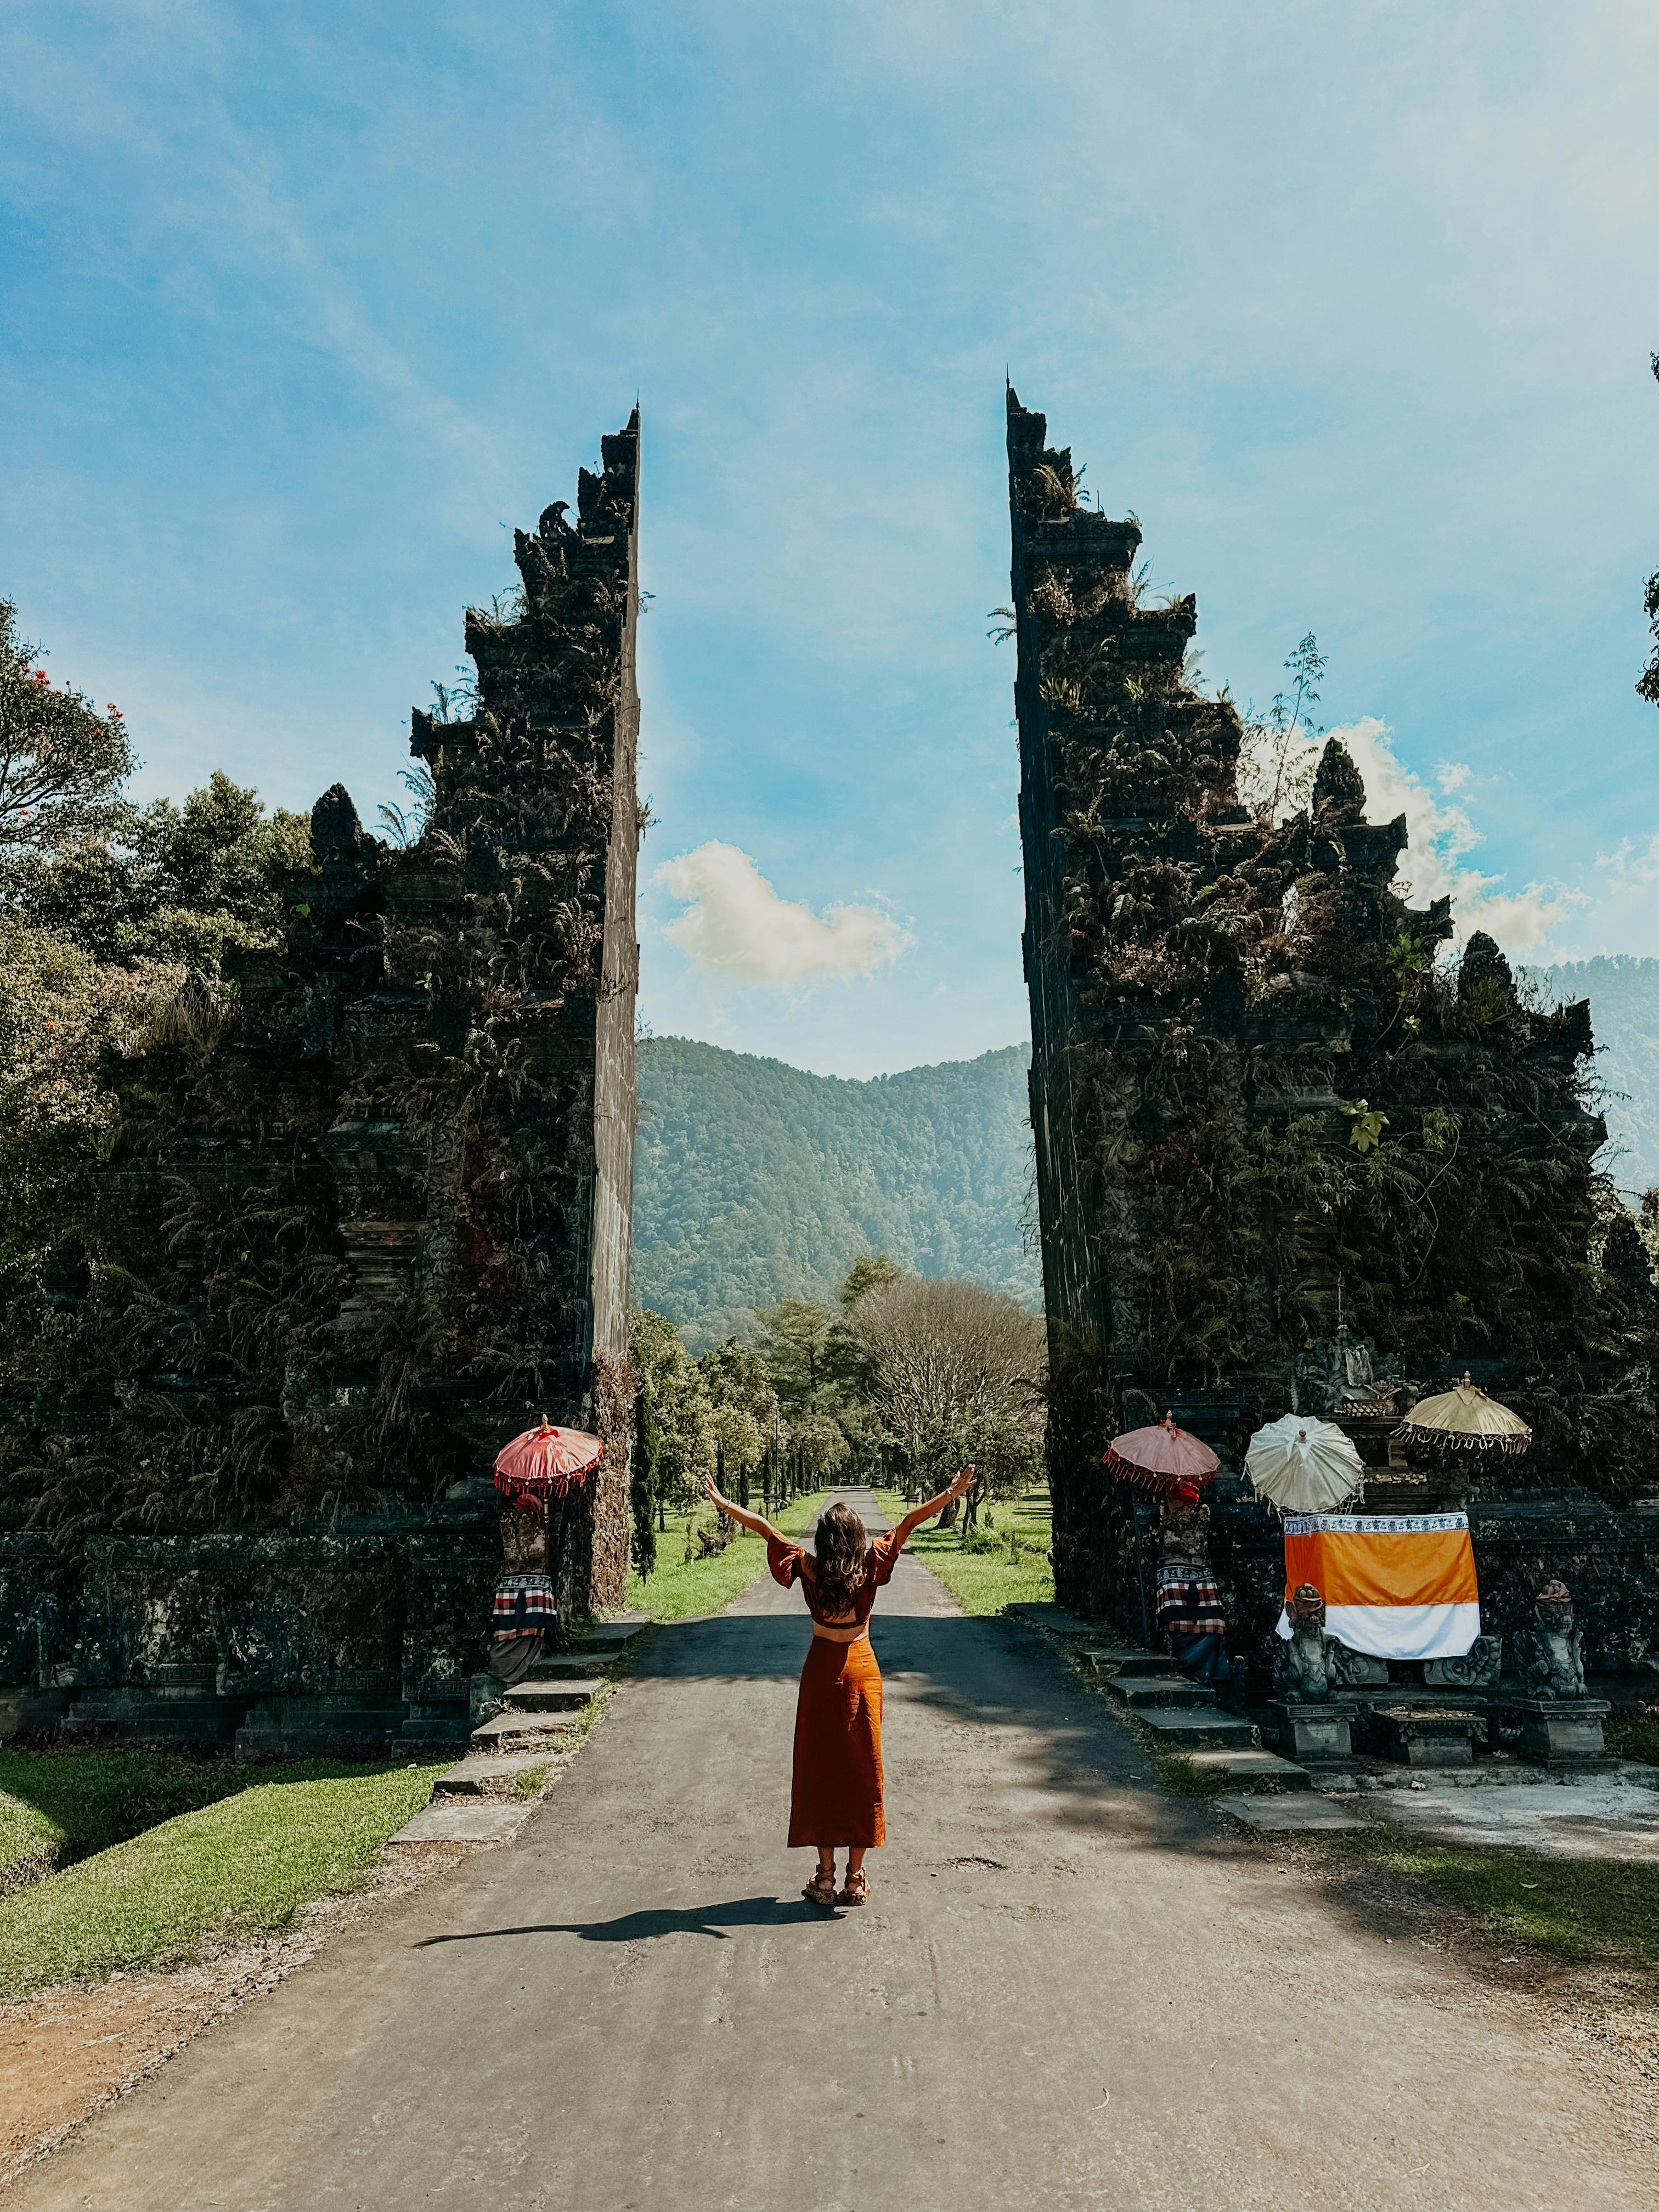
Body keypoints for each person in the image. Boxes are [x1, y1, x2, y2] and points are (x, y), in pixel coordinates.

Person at [702, 1465, 976, 1909]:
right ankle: (856, 1878)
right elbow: (908, 1522)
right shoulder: (871, 1565)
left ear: (825, 1541)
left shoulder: (807, 1568)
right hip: (862, 1672)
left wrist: (725, 1504)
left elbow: (766, 1528)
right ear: (857, 1538)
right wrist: (952, 1490)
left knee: (820, 1771)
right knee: (861, 1769)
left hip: (820, 1673)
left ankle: (825, 1879)